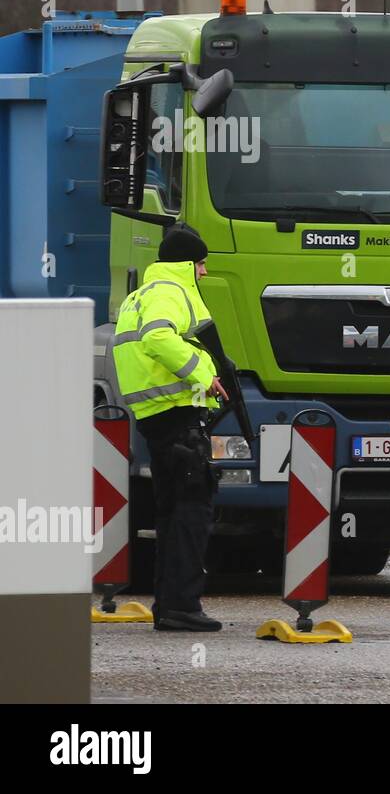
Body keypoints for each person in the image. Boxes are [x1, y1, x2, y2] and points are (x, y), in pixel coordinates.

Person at [112, 225, 228, 632]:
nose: (204, 272)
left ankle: (170, 606)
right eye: (200, 264)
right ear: (186, 264)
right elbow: (158, 337)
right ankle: (181, 605)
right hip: (176, 413)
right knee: (191, 509)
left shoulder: (139, 295)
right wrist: (201, 374)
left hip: (157, 415)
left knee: (172, 508)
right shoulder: (169, 293)